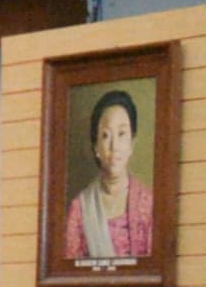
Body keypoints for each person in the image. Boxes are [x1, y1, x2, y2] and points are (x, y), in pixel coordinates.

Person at [55, 86, 154, 271]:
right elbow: (71, 272)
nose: (114, 145)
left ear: (132, 143)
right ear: (96, 147)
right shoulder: (80, 207)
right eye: (106, 135)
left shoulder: (148, 204)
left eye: (122, 134)